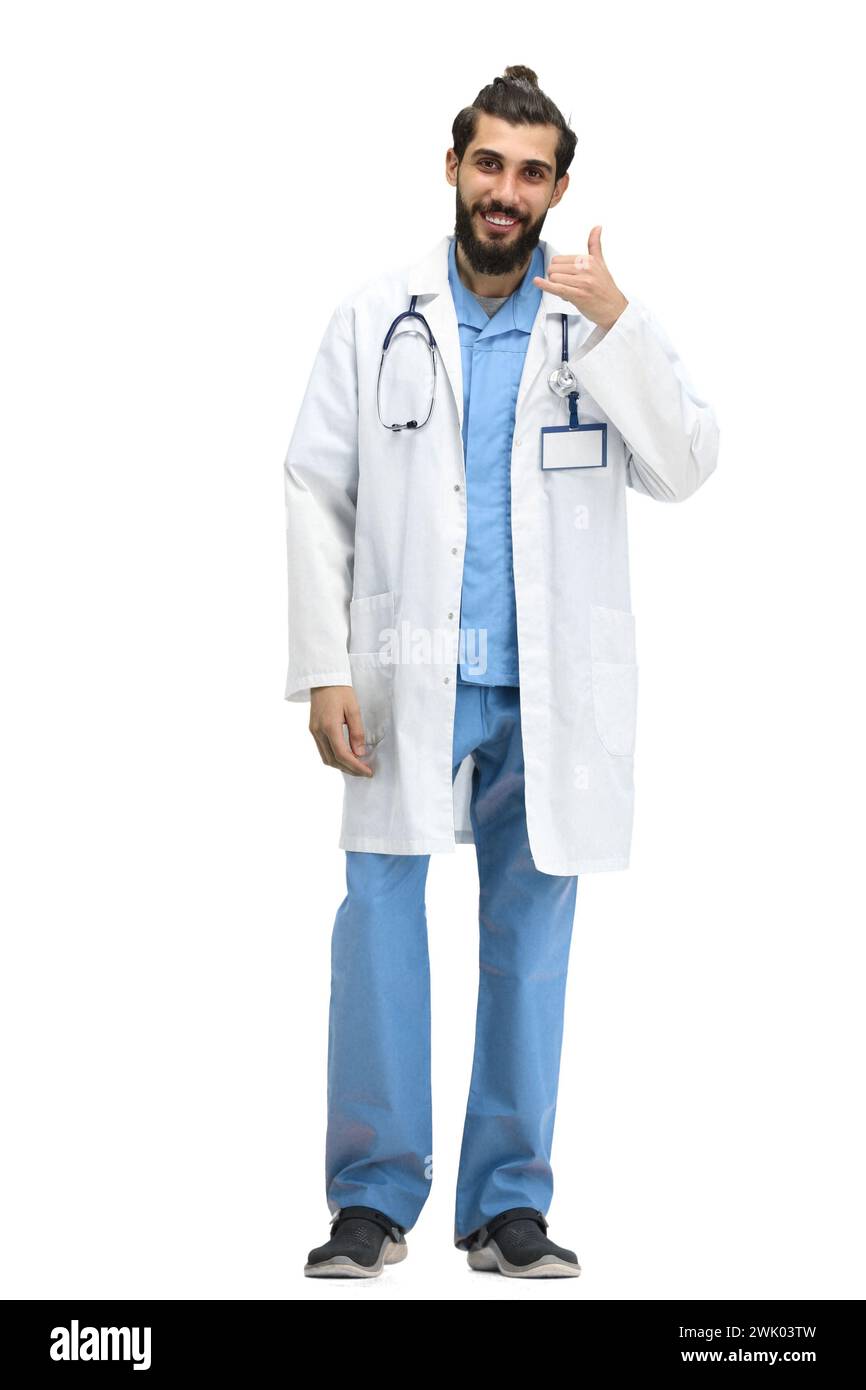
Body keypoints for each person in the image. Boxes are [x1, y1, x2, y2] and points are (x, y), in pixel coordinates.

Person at [283, 65, 719, 1279]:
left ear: (557, 188)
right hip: (403, 670)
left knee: (528, 942)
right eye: (488, 164)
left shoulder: (594, 326)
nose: (505, 192)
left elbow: (685, 464)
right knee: (377, 930)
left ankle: (504, 1204)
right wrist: (324, 666)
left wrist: (624, 321)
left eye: (531, 173)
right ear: (453, 168)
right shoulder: (378, 315)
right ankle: (372, 1200)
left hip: (547, 686)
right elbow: (317, 490)